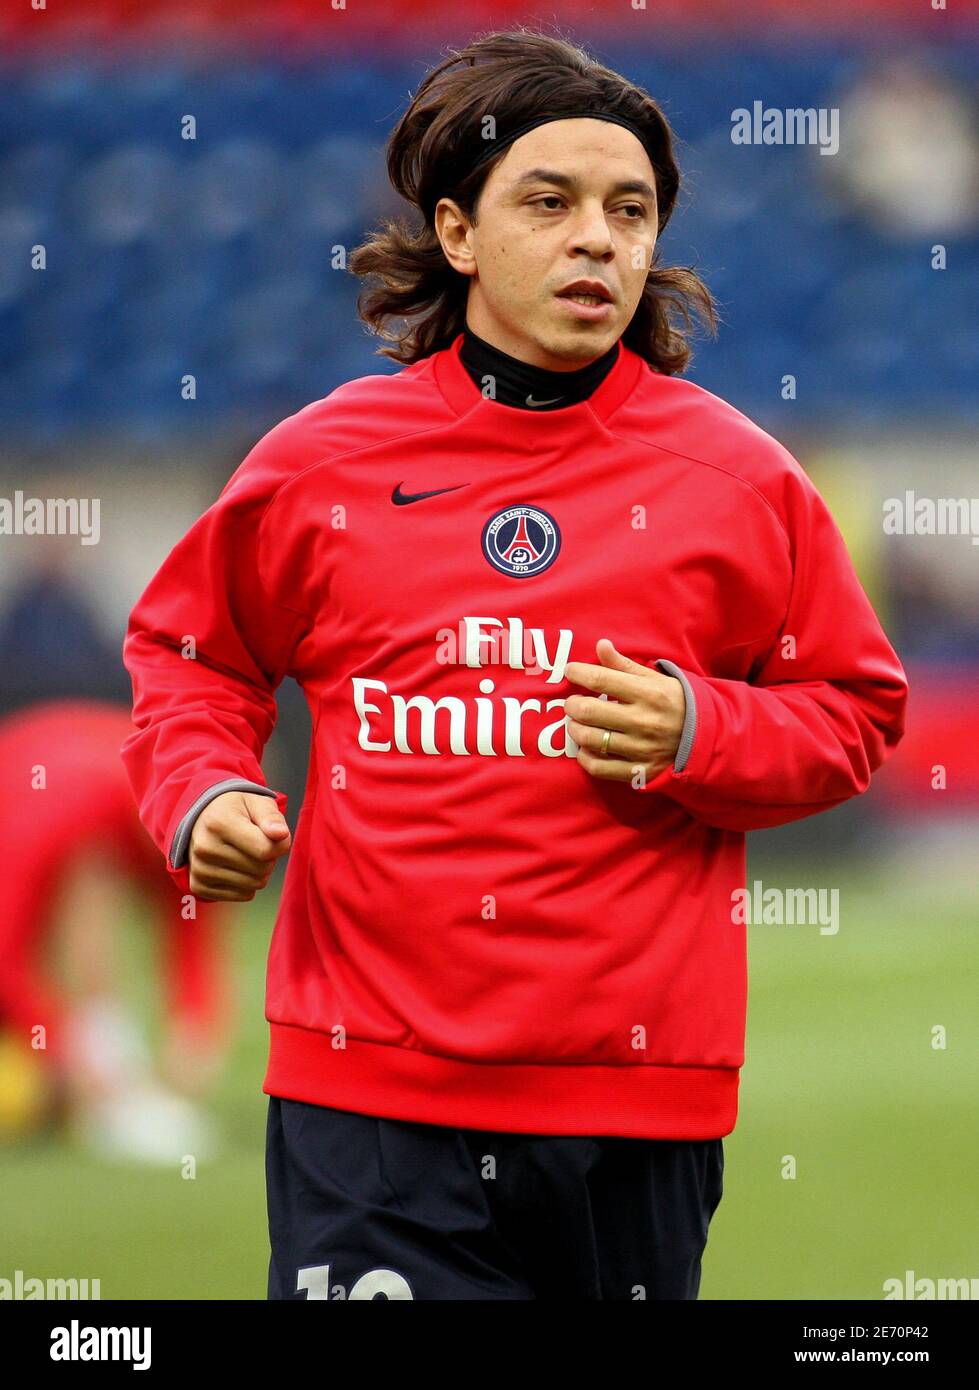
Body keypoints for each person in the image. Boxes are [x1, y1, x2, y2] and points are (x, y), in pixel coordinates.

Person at [121, 29, 909, 1298]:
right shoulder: (321, 464)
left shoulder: (741, 479)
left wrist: (700, 731)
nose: (597, 238)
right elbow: (190, 654)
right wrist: (203, 787)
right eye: (549, 202)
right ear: (457, 231)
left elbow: (854, 712)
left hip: (636, 1105)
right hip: (368, 1100)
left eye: (629, 210)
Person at [0, 699, 231, 1163]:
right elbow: (6, 957)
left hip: (82, 805)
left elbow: (193, 929)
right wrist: (61, 1046)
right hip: (28, 798)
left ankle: (103, 1058)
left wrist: (194, 1028)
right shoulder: (58, 815)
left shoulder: (192, 814)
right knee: (27, 1095)